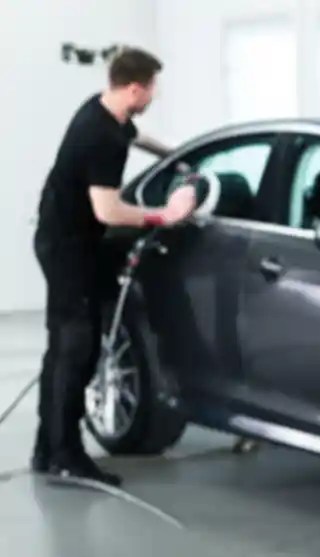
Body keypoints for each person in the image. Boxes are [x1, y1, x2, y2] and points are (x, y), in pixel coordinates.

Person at [31, 47, 196, 485]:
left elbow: (135, 136)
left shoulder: (105, 113)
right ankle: (66, 456)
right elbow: (107, 210)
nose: (155, 96)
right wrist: (166, 214)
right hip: (69, 249)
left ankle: (48, 448)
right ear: (135, 88)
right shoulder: (99, 136)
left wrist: (180, 155)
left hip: (60, 240)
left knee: (62, 349)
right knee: (76, 350)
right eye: (153, 89)